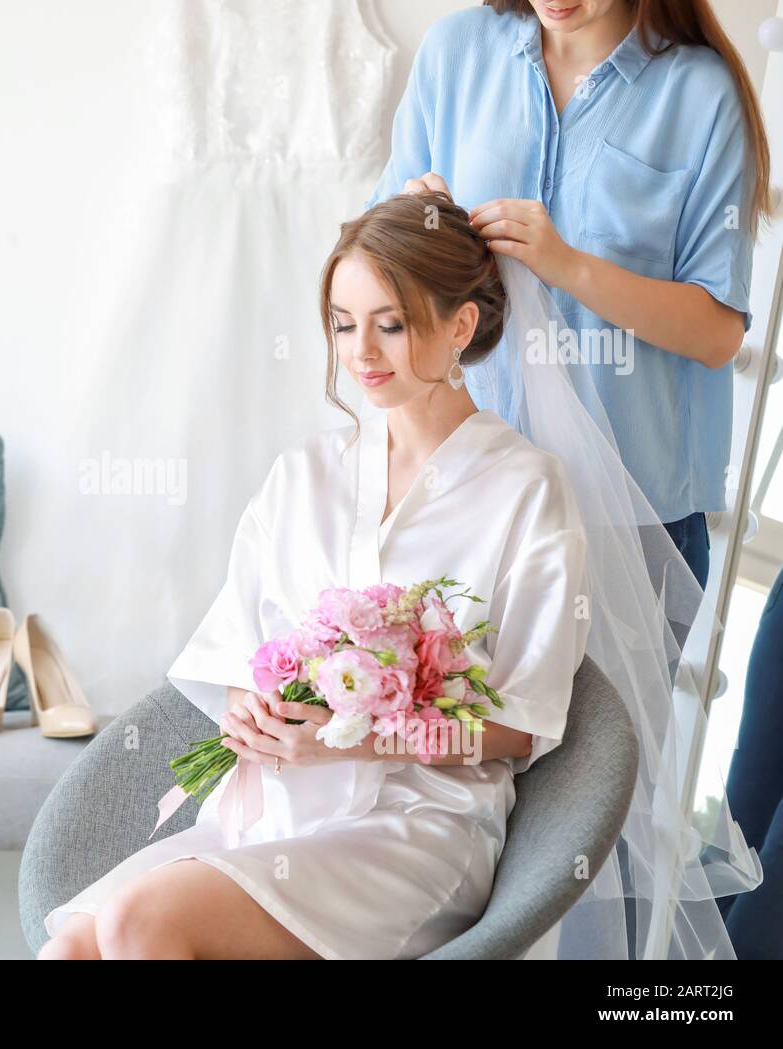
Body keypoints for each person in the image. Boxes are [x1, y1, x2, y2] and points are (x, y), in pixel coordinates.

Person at [38, 193, 591, 959]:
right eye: (342, 322)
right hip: (275, 813)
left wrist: (359, 737)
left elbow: (522, 724)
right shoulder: (303, 474)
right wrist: (248, 711)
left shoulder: (526, 489)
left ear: (460, 326)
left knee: (142, 924)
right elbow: (236, 658)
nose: (360, 351)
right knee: (70, 950)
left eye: (389, 323)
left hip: (418, 823)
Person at [366, 0, 771, 589]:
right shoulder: (458, 50)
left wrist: (570, 267)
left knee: (604, 688)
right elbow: (376, 266)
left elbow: (716, 335)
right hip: (459, 484)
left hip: (633, 519)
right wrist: (412, 218)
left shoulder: (702, 95)